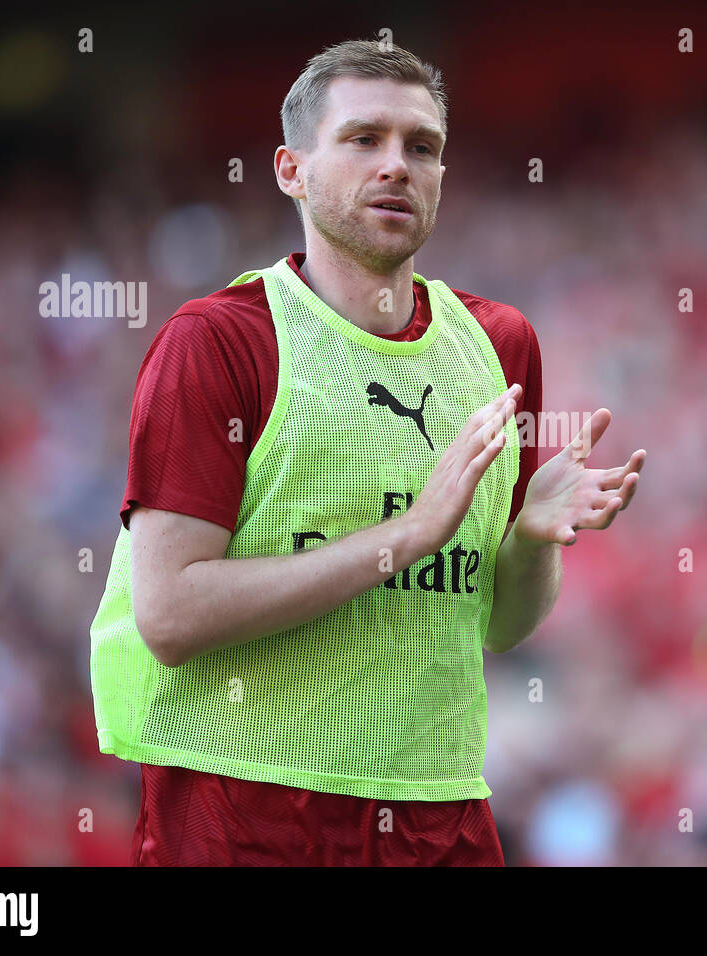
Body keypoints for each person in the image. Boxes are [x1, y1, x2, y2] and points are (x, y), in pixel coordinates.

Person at [89, 39, 645, 866]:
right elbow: (168, 616)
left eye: (422, 148)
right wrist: (403, 538)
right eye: (363, 140)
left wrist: (530, 541)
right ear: (291, 170)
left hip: (442, 809)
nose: (397, 166)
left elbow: (501, 626)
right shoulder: (218, 344)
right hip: (245, 810)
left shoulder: (500, 345)